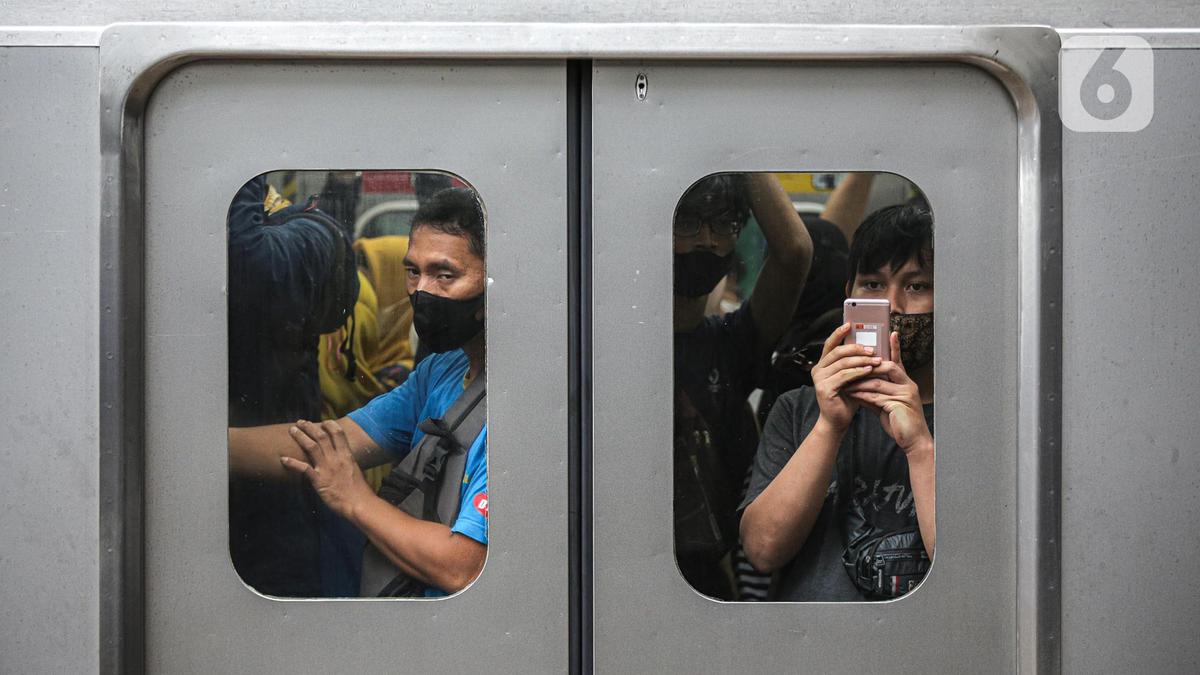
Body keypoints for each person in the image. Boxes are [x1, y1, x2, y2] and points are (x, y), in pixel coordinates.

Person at [228, 187, 488, 597]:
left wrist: (354, 498)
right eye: (412, 271)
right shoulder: (442, 370)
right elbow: (335, 442)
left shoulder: (514, 401)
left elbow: (463, 568)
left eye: (445, 275)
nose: (422, 291)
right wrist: (207, 451)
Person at [739, 204, 935, 601]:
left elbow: (971, 569)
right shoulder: (798, 409)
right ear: (849, 296)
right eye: (872, 286)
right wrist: (829, 426)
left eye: (917, 286)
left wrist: (919, 448)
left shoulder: (981, 411)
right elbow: (762, 551)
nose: (892, 306)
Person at [672, 173, 813, 599]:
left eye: (724, 226)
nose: (708, 241)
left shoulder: (729, 344)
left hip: (709, 575)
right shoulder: (611, 343)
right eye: (688, 224)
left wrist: (739, 148)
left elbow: (794, 252)